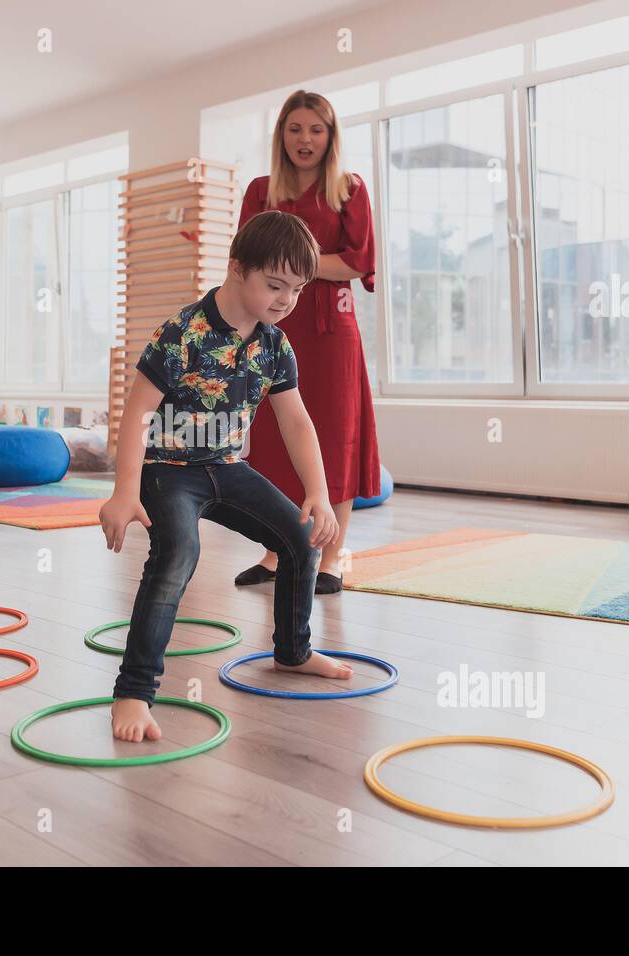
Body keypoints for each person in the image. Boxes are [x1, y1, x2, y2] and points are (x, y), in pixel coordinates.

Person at [100, 210, 348, 743]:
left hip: (228, 467)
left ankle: (293, 652)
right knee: (177, 556)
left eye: (297, 290)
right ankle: (134, 691)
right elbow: (137, 413)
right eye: (275, 285)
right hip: (168, 471)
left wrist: (320, 494)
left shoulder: (275, 345)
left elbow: (296, 421)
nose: (286, 300)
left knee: (300, 540)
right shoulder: (180, 332)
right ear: (238, 269)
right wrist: (122, 492)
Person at [234, 90, 381, 595]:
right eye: (295, 129)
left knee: (335, 438)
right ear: (282, 135)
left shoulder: (349, 189)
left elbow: (358, 261)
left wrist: (290, 265)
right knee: (274, 437)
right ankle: (275, 551)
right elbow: (247, 260)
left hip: (331, 332)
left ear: (330, 136)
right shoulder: (259, 191)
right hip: (272, 327)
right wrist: (312, 263)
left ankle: (333, 556)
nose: (305, 139)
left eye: (316, 129)